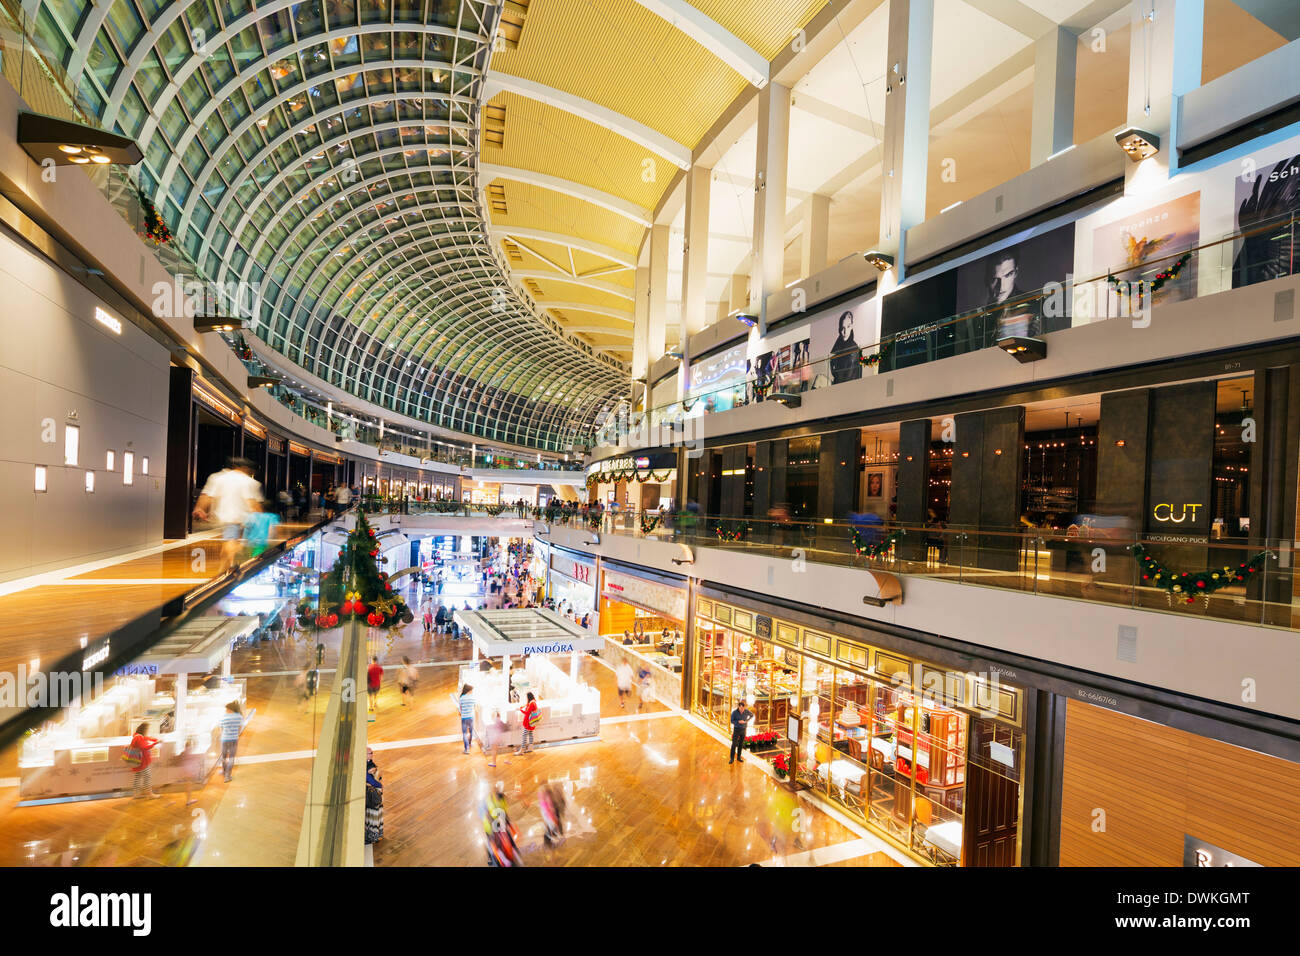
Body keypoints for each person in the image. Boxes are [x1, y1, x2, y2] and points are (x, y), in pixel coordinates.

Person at [192, 457, 262, 574]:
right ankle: (230, 566)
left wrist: (199, 508)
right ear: (245, 468)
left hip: (226, 516)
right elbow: (252, 502)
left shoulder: (217, 478)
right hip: (242, 517)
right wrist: (261, 517)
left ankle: (226, 568)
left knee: (229, 541)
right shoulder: (247, 481)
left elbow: (207, 495)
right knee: (233, 542)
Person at [125, 722, 161, 798]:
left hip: (138, 762)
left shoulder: (138, 736)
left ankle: (136, 794)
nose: (148, 731)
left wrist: (156, 740)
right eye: (147, 729)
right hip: (142, 762)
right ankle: (149, 794)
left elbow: (148, 738)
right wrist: (155, 743)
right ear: (144, 729)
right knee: (147, 776)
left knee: (138, 777)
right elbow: (144, 747)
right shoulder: (138, 737)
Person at [828, 310, 863, 384]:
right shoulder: (839, 348)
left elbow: (849, 377)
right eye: (842, 328)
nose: (845, 331)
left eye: (848, 326)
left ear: (852, 326)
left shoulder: (853, 350)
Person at [218, 701, 243, 782]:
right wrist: (237, 734)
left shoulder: (223, 717)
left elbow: (221, 728)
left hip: (224, 739)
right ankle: (228, 776)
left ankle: (224, 771)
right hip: (234, 739)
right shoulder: (239, 716)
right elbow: (240, 728)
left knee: (224, 757)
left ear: (229, 709)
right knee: (231, 758)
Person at [365, 751, 384, 846]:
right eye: (369, 753)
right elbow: (373, 780)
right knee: (373, 816)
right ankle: (374, 836)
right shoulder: (367, 766)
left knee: (373, 816)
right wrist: (380, 785)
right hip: (373, 795)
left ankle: (373, 836)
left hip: (373, 795)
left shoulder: (370, 764)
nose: (372, 754)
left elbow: (374, 779)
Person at [729, 700, 752, 765]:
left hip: (743, 729)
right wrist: (738, 722)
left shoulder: (746, 711)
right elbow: (732, 721)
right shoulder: (734, 712)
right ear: (738, 707)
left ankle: (739, 757)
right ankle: (731, 759)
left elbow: (751, 715)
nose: (742, 709)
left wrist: (747, 720)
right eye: (741, 708)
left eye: (743, 708)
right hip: (737, 729)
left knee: (741, 744)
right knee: (734, 744)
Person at [459, 683, 476, 753]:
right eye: (471, 690)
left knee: (464, 733)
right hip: (471, 717)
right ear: (469, 690)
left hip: (464, 718)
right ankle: (470, 743)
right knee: (471, 731)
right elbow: (474, 707)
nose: (472, 691)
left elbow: (460, 708)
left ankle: (467, 749)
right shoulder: (473, 697)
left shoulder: (462, 698)